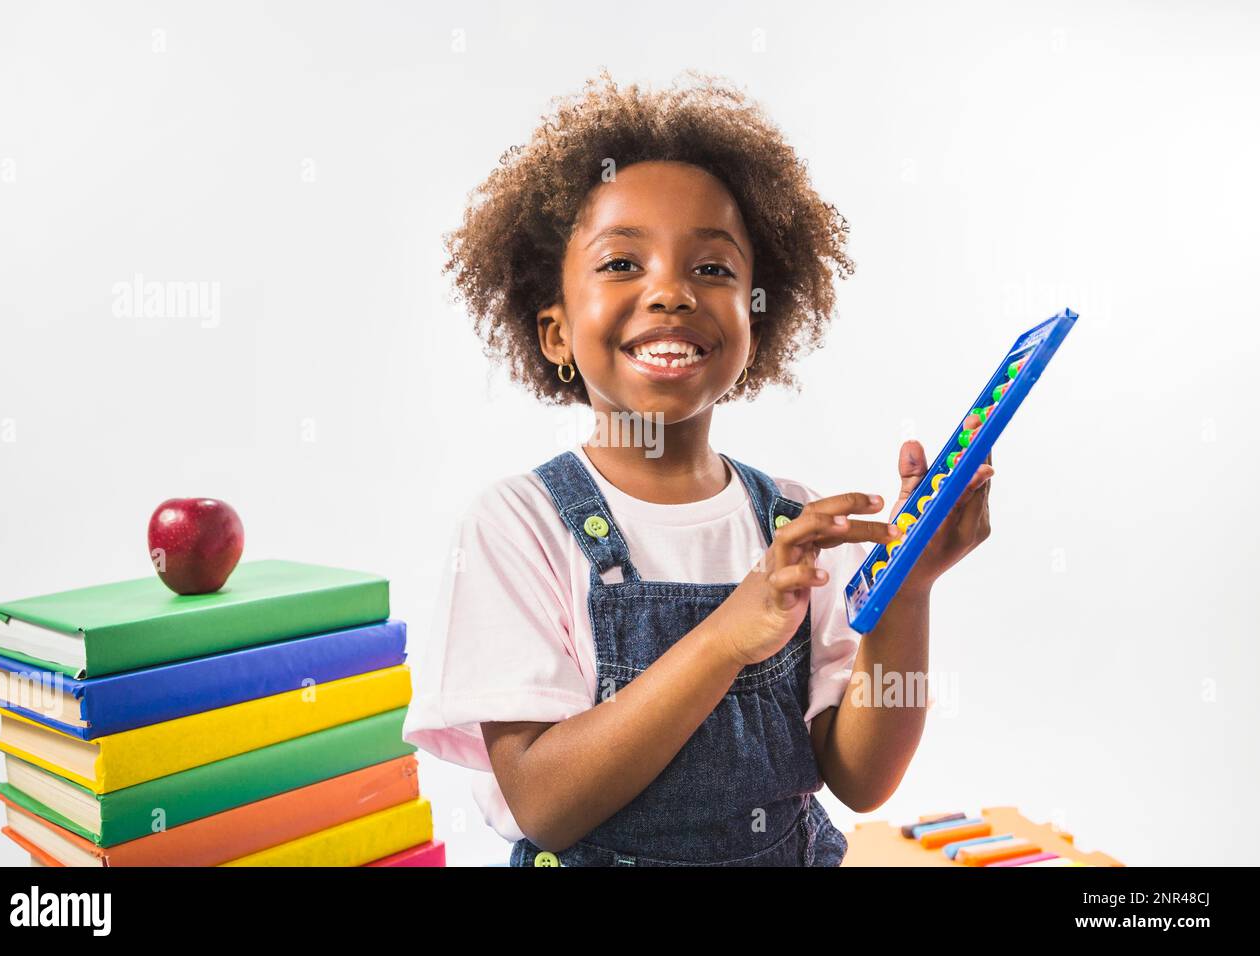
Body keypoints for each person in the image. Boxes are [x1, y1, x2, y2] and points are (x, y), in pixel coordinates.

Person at [403, 70, 993, 867]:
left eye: (712, 269)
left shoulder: (791, 519)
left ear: (758, 318)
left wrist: (906, 595)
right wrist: (727, 635)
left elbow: (860, 778)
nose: (672, 292)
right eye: (621, 264)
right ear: (554, 333)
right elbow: (545, 804)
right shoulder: (518, 524)